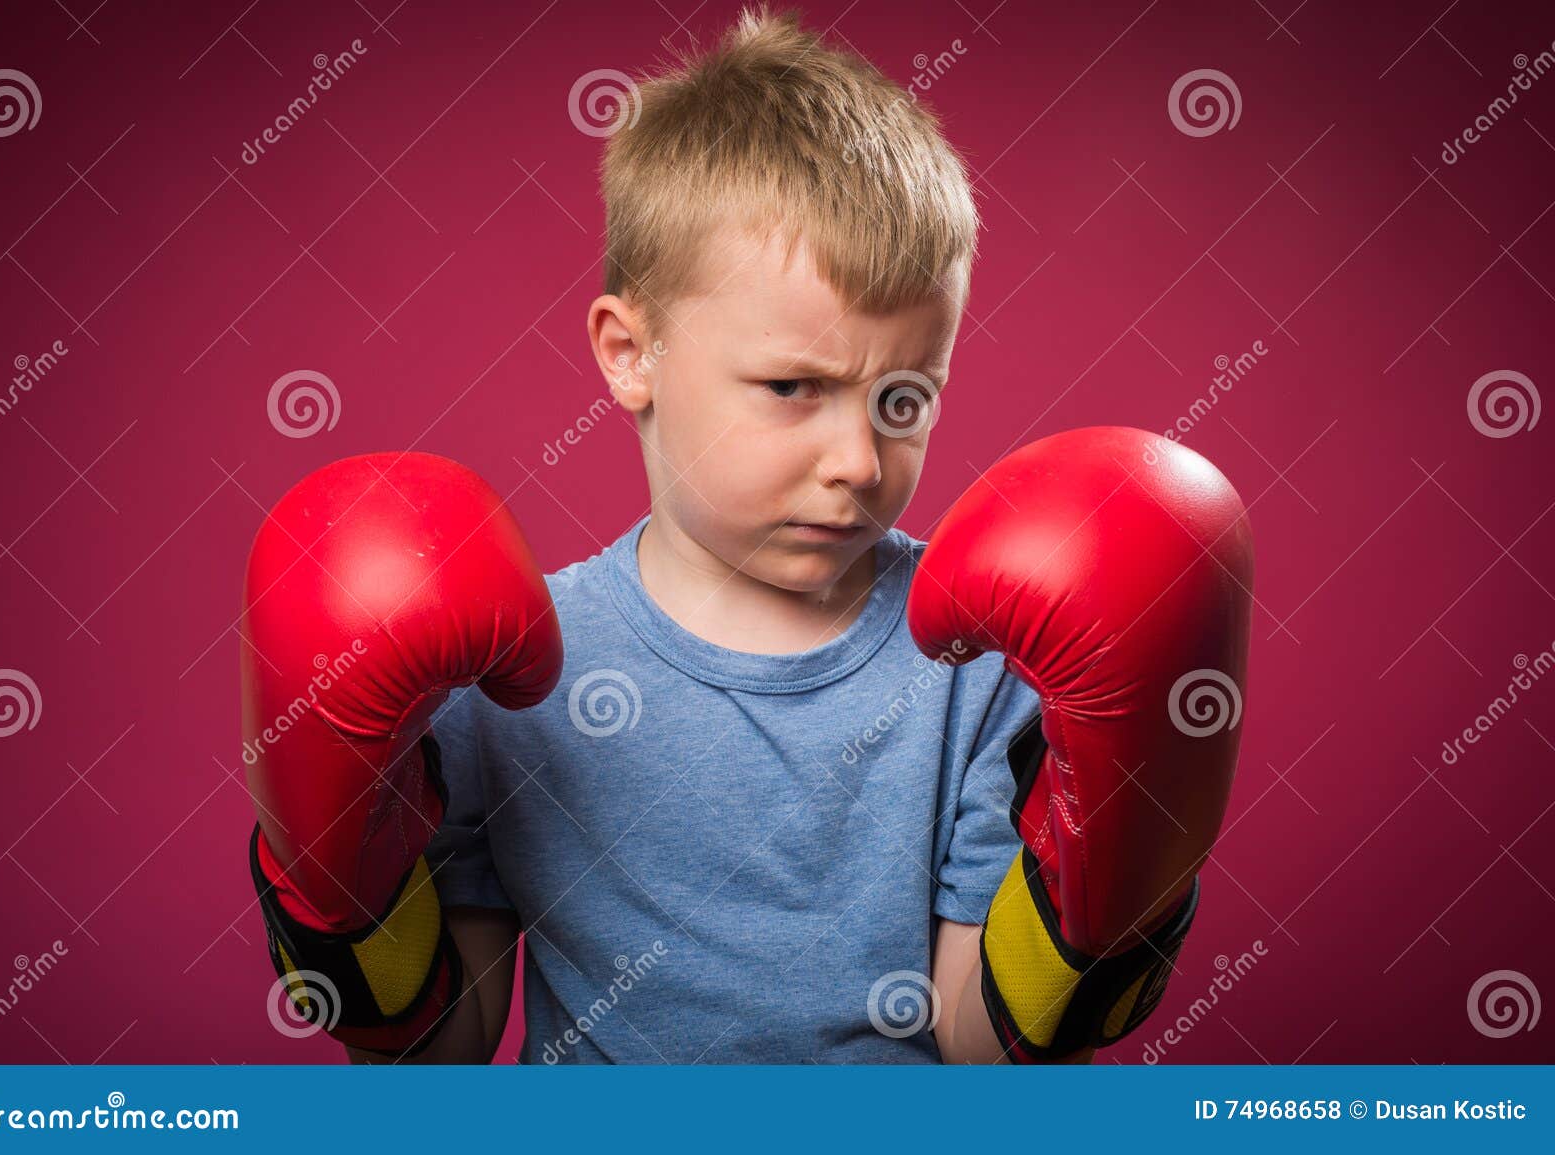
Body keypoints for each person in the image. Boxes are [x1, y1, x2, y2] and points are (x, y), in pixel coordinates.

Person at [240, 6, 1250, 1065]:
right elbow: (442, 1053)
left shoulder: (972, 668)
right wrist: (335, 883)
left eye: (904, 398)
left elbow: (981, 1051)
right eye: (790, 387)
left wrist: (1112, 889)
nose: (860, 461)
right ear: (630, 353)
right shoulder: (508, 676)